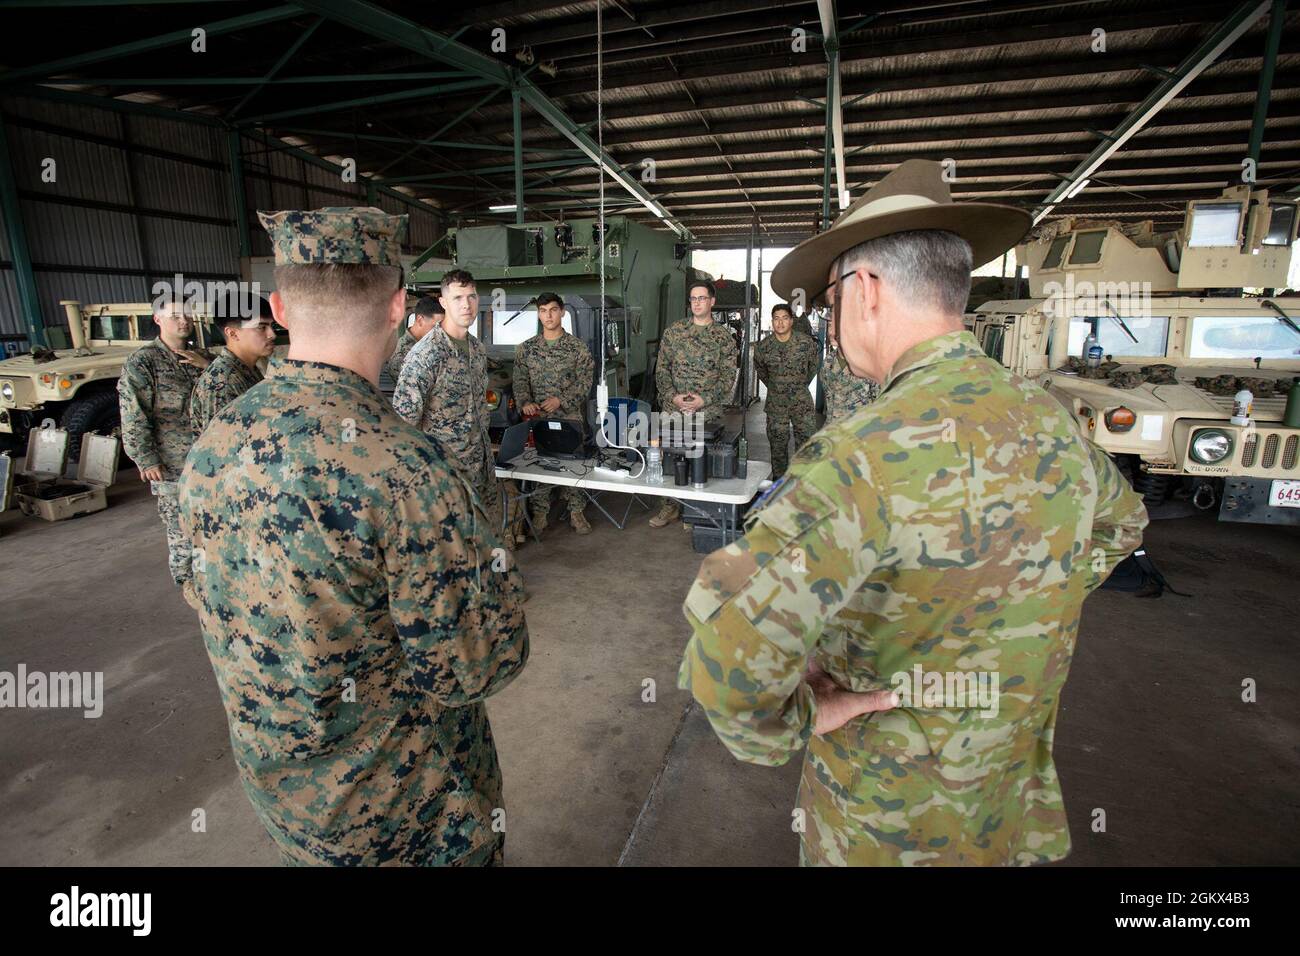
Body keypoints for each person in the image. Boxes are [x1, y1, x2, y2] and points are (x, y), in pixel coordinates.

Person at [678, 159, 1148, 866]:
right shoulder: (1048, 422)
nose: (828, 320)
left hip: (884, 826)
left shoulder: (859, 455)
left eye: (827, 300)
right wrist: (1018, 609)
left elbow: (730, 657)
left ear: (863, 290)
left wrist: (802, 717)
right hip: (1006, 812)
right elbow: (1122, 524)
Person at [178, 207, 529, 866]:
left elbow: (202, 593)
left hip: (289, 808)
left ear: (280, 308)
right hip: (412, 820)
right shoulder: (409, 468)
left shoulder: (211, 447)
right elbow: (474, 666)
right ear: (399, 306)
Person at [393, 270, 500, 532]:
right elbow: (403, 426)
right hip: (444, 476)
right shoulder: (426, 355)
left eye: (472, 297)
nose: (466, 304)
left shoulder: (476, 349)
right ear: (443, 303)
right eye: (457, 298)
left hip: (479, 467)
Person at [117, 298, 212, 590]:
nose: (183, 321)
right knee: (180, 526)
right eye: (174, 316)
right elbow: (133, 411)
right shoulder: (144, 361)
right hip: (172, 462)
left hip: (208, 458)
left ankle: (213, 580)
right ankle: (187, 584)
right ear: (158, 320)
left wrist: (207, 365)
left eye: (186, 315)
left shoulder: (202, 357)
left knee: (210, 520)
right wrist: (145, 457)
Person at [650, 278, 738, 528]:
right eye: (693, 298)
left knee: (699, 459)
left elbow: (728, 376)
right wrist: (673, 397)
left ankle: (695, 511)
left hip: (706, 410)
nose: (697, 302)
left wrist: (703, 400)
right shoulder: (675, 331)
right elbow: (662, 369)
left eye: (702, 298)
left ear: (712, 301)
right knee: (670, 460)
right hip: (674, 408)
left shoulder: (723, 338)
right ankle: (670, 507)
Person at [513, 292, 595, 536]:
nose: (548, 315)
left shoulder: (577, 349)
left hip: (569, 417)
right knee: (540, 465)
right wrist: (525, 402)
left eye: (552, 310)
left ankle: (576, 512)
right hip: (539, 418)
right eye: (543, 310)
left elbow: (584, 383)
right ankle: (540, 514)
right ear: (538, 314)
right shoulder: (526, 349)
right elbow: (519, 382)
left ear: (562, 312)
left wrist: (561, 399)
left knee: (573, 465)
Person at [189, 295, 277, 437]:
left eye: (272, 326)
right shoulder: (221, 383)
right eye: (261, 327)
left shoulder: (247, 370)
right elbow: (217, 449)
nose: (272, 334)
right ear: (233, 333)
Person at [754, 303, 819, 479]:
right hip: (776, 405)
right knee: (778, 446)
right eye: (776, 319)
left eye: (784, 318)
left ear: (791, 321)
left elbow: (813, 366)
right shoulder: (764, 347)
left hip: (802, 403)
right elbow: (761, 370)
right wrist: (776, 386)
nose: (780, 323)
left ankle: (802, 483)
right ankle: (778, 485)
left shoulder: (805, 343)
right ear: (772, 321)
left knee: (805, 445)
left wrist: (800, 383)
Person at [385, 295, 443, 381]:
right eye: (435, 326)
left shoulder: (430, 343)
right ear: (420, 320)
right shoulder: (402, 354)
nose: (439, 332)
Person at [821, 344, 879, 424]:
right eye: (830, 330)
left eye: (836, 331)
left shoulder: (869, 362)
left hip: (858, 427)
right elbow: (827, 392)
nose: (831, 332)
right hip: (832, 425)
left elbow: (878, 398)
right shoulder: (829, 360)